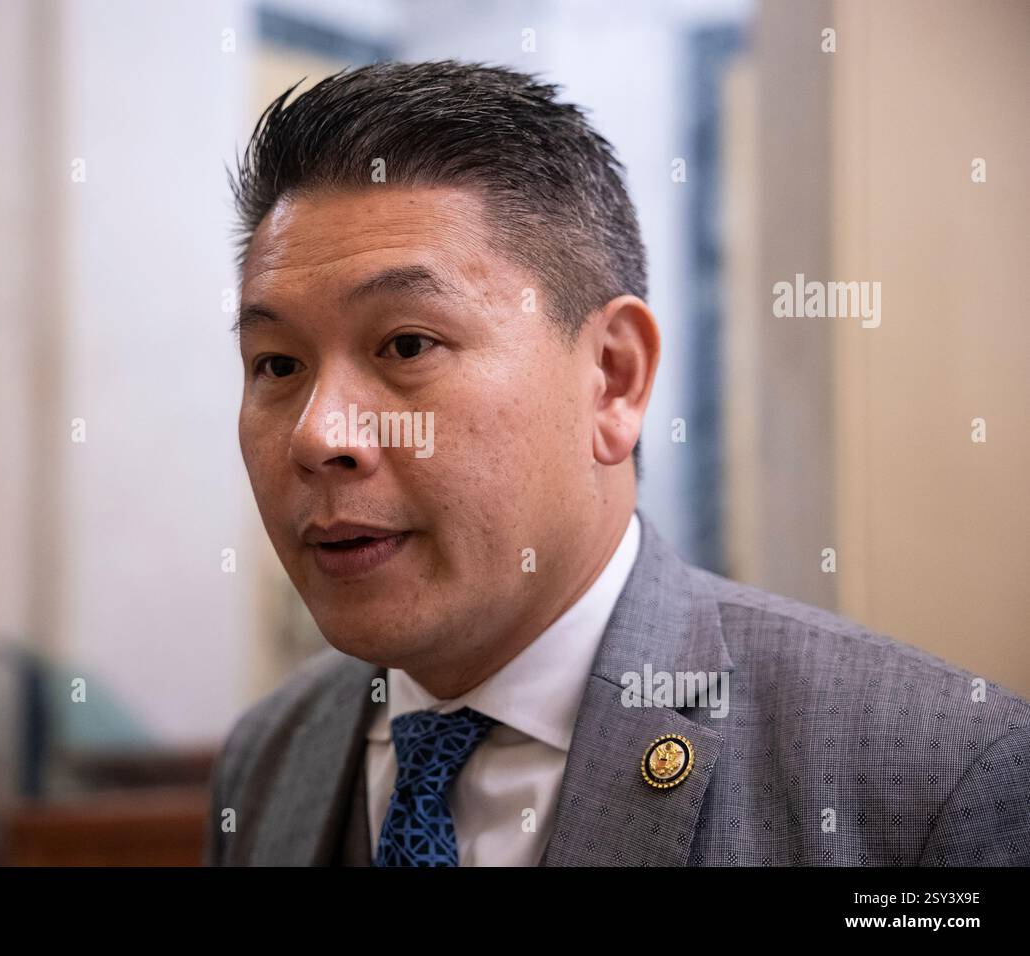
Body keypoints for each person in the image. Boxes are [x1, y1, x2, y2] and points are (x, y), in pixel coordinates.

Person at [204, 60, 1030, 866]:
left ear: (613, 378)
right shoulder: (271, 757)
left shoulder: (934, 779)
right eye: (277, 364)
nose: (318, 437)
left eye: (408, 344)